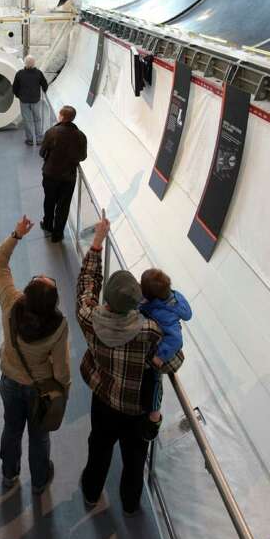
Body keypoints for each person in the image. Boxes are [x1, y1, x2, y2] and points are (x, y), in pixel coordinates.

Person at [76, 217, 182, 516]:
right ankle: (130, 503)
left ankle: (91, 492)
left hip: (104, 402)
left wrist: (97, 243)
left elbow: (85, 286)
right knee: (135, 460)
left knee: (99, 448)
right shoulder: (150, 331)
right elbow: (173, 361)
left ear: (106, 299)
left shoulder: (89, 318)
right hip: (136, 412)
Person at [0, 215, 72, 493]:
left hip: (10, 381)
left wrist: (16, 235)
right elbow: (62, 369)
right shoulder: (58, 325)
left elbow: (0, 263)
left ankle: (9, 474)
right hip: (40, 391)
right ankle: (39, 481)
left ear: (26, 293)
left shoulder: (11, 304)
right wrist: (62, 395)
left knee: (11, 429)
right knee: (39, 437)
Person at [137, 268, 193, 440]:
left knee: (154, 380)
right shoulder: (171, 297)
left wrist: (159, 357)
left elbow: (175, 339)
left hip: (161, 352)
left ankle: (153, 421)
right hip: (155, 341)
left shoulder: (163, 313)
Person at [38, 106, 87, 243]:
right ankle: (57, 234)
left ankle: (47, 224)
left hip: (50, 174)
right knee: (63, 206)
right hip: (68, 177)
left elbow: (42, 152)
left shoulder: (52, 132)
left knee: (49, 200)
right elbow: (83, 157)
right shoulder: (81, 136)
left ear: (61, 116)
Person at [12, 56, 49, 146]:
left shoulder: (19, 74)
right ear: (34, 63)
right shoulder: (38, 73)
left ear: (25, 63)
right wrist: (43, 91)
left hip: (24, 101)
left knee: (27, 120)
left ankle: (30, 140)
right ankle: (39, 139)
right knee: (38, 119)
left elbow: (14, 88)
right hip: (36, 100)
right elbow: (45, 85)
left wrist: (19, 96)